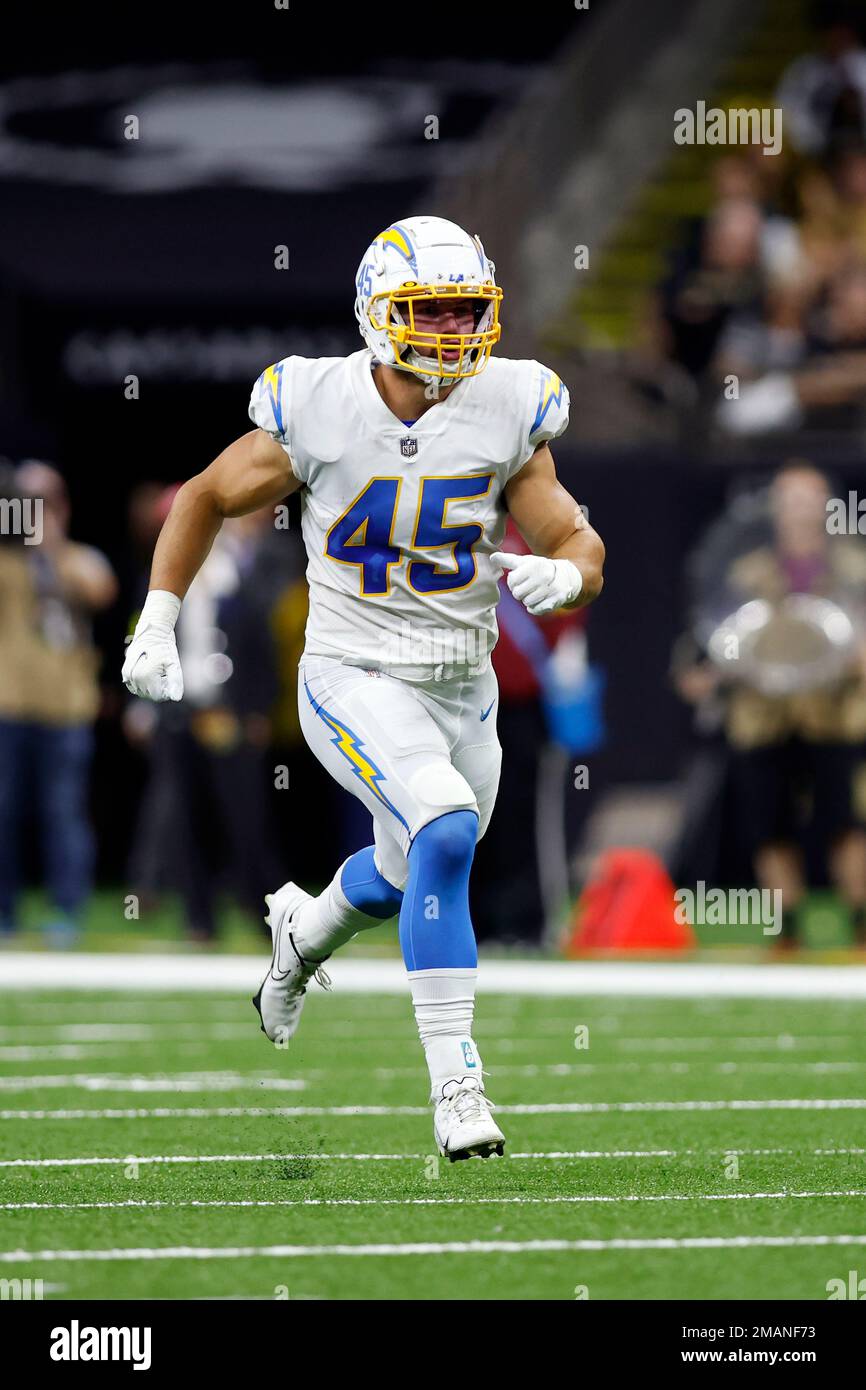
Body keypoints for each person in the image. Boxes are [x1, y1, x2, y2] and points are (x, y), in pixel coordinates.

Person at [122, 216, 605, 1160]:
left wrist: (572, 574)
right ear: (379, 313)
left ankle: (300, 936)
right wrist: (156, 615)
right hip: (354, 671)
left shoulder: (508, 403)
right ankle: (457, 1085)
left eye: (470, 312)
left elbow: (571, 535)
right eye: (434, 312)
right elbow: (204, 496)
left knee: (400, 874)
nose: (456, 333)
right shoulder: (321, 402)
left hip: (464, 687)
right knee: (445, 825)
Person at [0, 461, 117, 940]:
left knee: (63, 813)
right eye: (25, 505)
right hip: (10, 707)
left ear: (62, 507)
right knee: (3, 813)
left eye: (45, 504)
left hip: (67, 710)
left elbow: (101, 592)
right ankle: (4, 911)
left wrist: (49, 550)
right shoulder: (6, 563)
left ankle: (67, 910)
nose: (35, 514)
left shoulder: (81, 559)